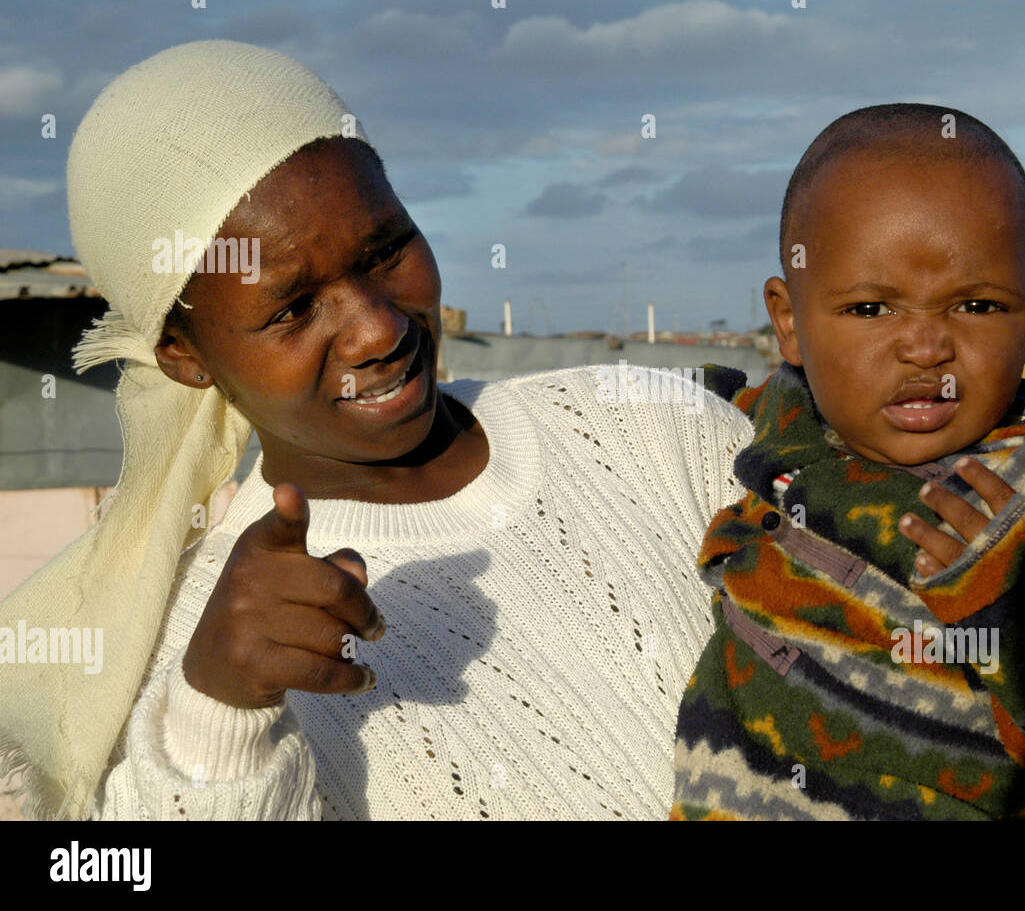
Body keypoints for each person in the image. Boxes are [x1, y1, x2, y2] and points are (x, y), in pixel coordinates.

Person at [0, 40, 753, 820]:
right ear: (185, 356)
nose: (377, 328)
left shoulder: (654, 429)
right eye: (292, 308)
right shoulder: (209, 654)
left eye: (386, 251)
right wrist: (223, 717)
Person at [670, 104, 1025, 820]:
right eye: (870, 310)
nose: (926, 348)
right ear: (790, 321)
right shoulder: (772, 418)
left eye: (978, 306)